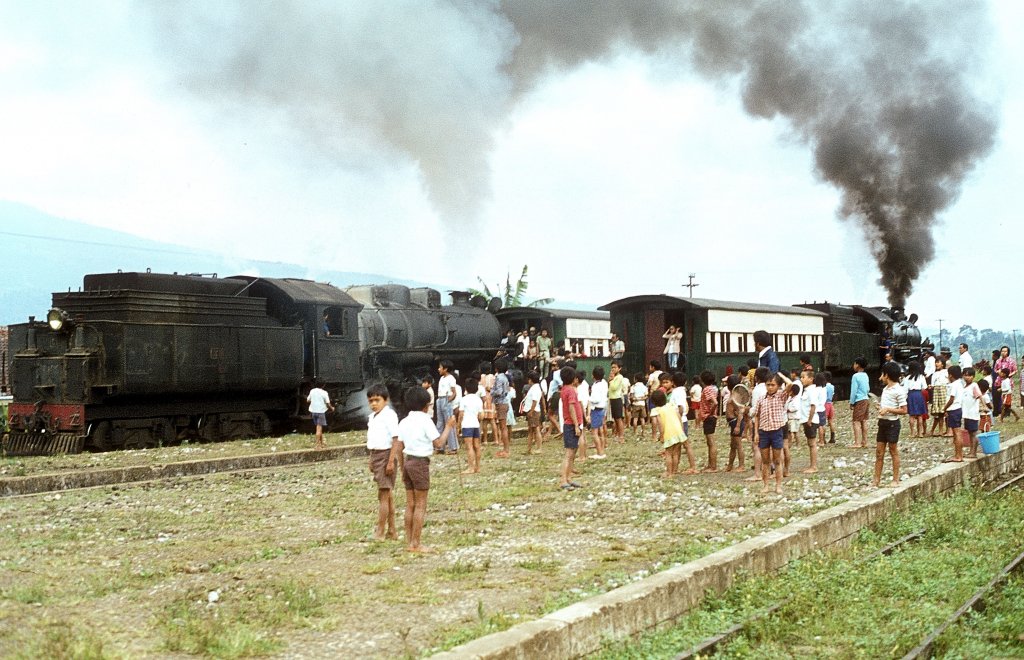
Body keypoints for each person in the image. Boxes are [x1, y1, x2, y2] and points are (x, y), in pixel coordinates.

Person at [398, 385, 457, 553]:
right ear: (425, 405)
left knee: (410, 505)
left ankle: (409, 541)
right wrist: (448, 426)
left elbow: (399, 446)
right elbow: (438, 443)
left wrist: (402, 469)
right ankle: (416, 544)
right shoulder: (425, 420)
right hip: (420, 463)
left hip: (408, 462)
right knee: (421, 505)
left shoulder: (403, 421)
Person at [365, 384, 400, 540]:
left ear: (386, 400)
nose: (373, 404)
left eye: (377, 400)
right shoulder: (372, 417)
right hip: (376, 455)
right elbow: (373, 440)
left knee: (384, 495)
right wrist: (371, 459)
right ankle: (392, 530)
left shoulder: (389, 415)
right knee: (386, 495)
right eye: (371, 401)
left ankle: (380, 532)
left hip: (386, 455)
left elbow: (395, 439)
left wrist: (391, 461)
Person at [752, 372, 792, 494]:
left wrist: (780, 374)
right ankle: (766, 485)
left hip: (776, 431)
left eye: (773, 385)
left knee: (777, 460)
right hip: (764, 431)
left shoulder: (781, 396)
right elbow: (757, 416)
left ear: (778, 386)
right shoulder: (761, 399)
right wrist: (756, 433)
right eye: (768, 385)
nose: (770, 387)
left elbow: (790, 384)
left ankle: (778, 485)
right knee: (765, 461)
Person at [874, 361, 907, 487]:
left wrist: (888, 409)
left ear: (886, 375)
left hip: (893, 424)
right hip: (882, 422)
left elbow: (904, 410)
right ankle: (876, 480)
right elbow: (887, 406)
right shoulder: (885, 389)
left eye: (882, 374)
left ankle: (895, 479)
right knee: (879, 452)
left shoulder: (898, 390)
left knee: (893, 451)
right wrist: (881, 407)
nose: (880, 377)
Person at [651, 389, 691, 478]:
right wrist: (682, 430)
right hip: (679, 432)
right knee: (676, 453)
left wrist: (661, 435)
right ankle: (674, 471)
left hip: (668, 433)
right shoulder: (671, 406)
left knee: (668, 453)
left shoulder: (657, 410)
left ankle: (669, 472)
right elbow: (679, 417)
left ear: (653, 402)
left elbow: (659, 424)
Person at [558, 365, 584, 490]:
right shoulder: (571, 391)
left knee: (573, 452)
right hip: (571, 424)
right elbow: (572, 408)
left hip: (570, 424)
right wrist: (576, 425)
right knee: (569, 454)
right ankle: (564, 479)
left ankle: (568, 478)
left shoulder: (564, 389)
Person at [724, 374, 749, 472]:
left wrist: (738, 426)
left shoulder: (735, 397)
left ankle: (741, 465)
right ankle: (730, 465)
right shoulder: (734, 395)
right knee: (733, 445)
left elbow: (740, 413)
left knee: (738, 445)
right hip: (732, 422)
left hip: (735, 422)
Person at [942, 365, 965, 462]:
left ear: (951, 375)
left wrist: (945, 408)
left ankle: (958, 456)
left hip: (953, 409)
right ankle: (958, 454)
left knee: (957, 433)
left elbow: (951, 398)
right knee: (956, 433)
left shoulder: (954, 385)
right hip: (957, 409)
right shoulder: (960, 383)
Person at [460, 378, 484, 473]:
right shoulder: (478, 400)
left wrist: (458, 426)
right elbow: (481, 415)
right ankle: (477, 467)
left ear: (466, 388)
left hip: (467, 424)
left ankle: (470, 468)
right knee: (477, 446)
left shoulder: (464, 399)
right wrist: (477, 420)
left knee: (469, 447)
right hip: (475, 424)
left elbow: (461, 414)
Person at [798, 370, 820, 473]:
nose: (801, 379)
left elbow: (813, 405)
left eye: (803, 377)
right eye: (801, 377)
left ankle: (814, 466)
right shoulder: (806, 390)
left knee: (812, 443)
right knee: (810, 443)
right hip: (806, 419)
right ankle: (812, 465)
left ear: (811, 379)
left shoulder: (812, 391)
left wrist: (810, 420)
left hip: (810, 420)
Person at [698, 370, 719, 472]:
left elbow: (715, 402)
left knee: (711, 442)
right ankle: (710, 464)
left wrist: (710, 412)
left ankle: (713, 466)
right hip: (710, 417)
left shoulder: (706, 390)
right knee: (709, 442)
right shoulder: (713, 388)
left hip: (709, 417)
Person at [960, 367, 983, 460]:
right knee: (970, 432)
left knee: (973, 433)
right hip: (966, 413)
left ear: (973, 377)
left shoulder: (974, 386)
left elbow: (979, 396)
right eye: (965, 375)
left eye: (969, 375)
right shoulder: (965, 387)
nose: (967, 377)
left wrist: (984, 406)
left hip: (972, 413)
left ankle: (973, 452)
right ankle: (971, 451)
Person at [436, 360, 457, 454]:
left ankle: (453, 447)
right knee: (440, 423)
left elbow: (454, 392)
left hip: (445, 399)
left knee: (449, 423)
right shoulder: (441, 378)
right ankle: (440, 447)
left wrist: (448, 401)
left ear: (445, 369)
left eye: (440, 367)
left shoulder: (451, 378)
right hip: (439, 399)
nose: (438, 369)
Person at [307, 380, 335, 450]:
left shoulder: (312, 391)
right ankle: (317, 445)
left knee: (319, 427)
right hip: (320, 412)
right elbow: (328, 403)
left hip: (313, 412)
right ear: (323, 385)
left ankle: (322, 443)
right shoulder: (324, 392)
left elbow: (308, 400)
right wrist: (332, 408)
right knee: (318, 429)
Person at [492, 358, 512, 458]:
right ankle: (506, 448)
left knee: (503, 427)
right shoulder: (505, 377)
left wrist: (491, 391)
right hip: (505, 402)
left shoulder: (499, 378)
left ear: (496, 368)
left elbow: (499, 392)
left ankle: (506, 450)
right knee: (503, 427)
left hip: (500, 403)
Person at [521, 370, 544, 455]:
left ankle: (539, 448)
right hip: (532, 410)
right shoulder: (535, 387)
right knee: (531, 430)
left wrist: (531, 411)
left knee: (536, 429)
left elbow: (534, 401)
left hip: (533, 411)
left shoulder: (535, 388)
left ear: (530, 379)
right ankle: (529, 448)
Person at [904, 360, 929, 438]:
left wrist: (905, 399)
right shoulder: (921, 377)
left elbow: (905, 389)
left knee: (911, 415)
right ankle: (920, 433)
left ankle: (912, 433)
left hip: (911, 395)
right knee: (920, 415)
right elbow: (924, 387)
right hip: (919, 395)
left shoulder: (907, 377)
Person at [850, 357, 870, 448]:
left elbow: (854, 391)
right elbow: (868, 388)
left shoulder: (855, 376)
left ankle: (857, 442)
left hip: (859, 400)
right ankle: (865, 441)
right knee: (864, 420)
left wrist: (851, 402)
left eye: (854, 363)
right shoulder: (866, 375)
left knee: (856, 421)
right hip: (866, 399)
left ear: (857, 365)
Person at [589, 366, 609, 459]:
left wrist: (589, 399)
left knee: (594, 432)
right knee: (600, 430)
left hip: (596, 409)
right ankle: (601, 450)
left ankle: (600, 453)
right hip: (602, 408)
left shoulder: (596, 386)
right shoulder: (604, 383)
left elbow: (595, 399)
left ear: (593, 376)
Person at [928, 357, 949, 437]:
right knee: (939, 413)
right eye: (935, 362)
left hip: (944, 392)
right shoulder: (934, 374)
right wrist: (930, 387)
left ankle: (947, 430)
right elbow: (933, 385)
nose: (936, 364)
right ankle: (940, 430)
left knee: (946, 412)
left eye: (938, 362)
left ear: (943, 364)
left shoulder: (946, 372)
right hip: (937, 393)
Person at [608, 360, 626, 444]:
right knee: (615, 419)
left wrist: (611, 380)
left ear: (619, 368)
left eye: (615, 367)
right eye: (612, 367)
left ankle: (621, 436)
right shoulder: (614, 377)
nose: (613, 369)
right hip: (612, 399)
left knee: (619, 419)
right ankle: (618, 435)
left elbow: (614, 387)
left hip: (617, 399)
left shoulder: (619, 377)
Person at [629, 372, 648, 438]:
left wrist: (635, 399)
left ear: (636, 379)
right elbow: (646, 396)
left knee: (635, 419)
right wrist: (641, 398)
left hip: (635, 404)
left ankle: (635, 432)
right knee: (642, 419)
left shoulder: (633, 387)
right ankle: (643, 432)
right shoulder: (644, 387)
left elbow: (631, 396)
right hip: (642, 404)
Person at [822, 370, 838, 443]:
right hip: (830, 404)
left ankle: (823, 438)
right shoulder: (832, 386)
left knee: (823, 422)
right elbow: (834, 395)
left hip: (825, 404)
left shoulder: (824, 387)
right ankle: (832, 437)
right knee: (831, 421)